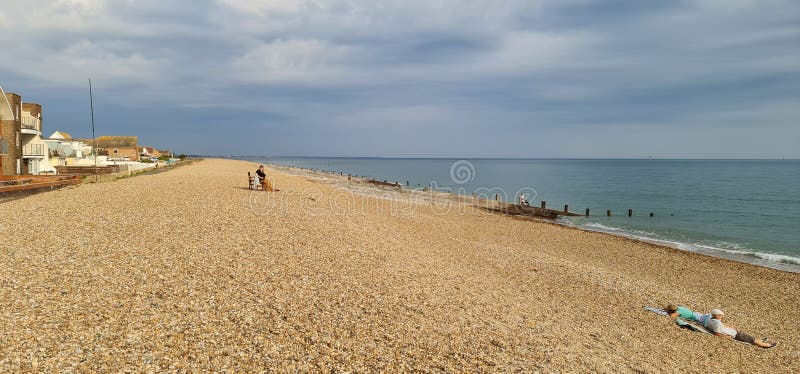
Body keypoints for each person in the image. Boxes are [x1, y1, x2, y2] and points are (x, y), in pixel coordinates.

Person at [704, 309, 776, 348]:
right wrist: (727, 337)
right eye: (720, 315)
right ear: (717, 315)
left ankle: (761, 340)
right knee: (751, 340)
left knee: (749, 337)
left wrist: (732, 327)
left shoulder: (710, 319)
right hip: (735, 335)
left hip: (735, 333)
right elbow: (717, 333)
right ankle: (767, 345)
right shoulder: (717, 323)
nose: (721, 317)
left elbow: (709, 326)